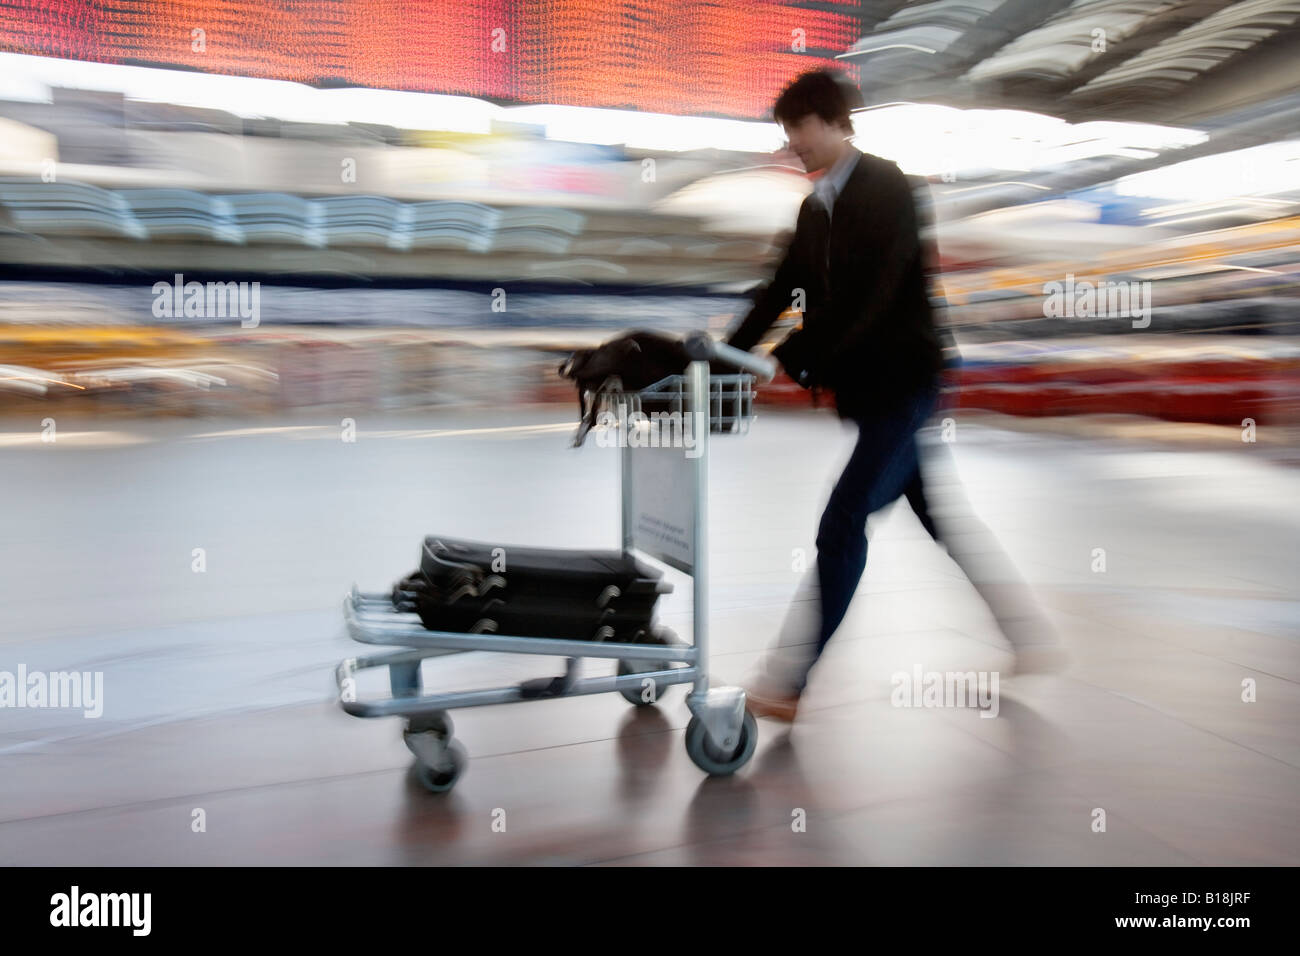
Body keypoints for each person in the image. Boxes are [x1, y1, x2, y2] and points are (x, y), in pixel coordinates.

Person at [725, 70, 1063, 723]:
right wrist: (727, 355)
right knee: (942, 520)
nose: (791, 143)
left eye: (797, 128)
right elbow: (778, 291)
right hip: (870, 391)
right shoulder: (814, 207)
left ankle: (790, 681)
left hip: (907, 382)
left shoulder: (889, 188)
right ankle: (1028, 637)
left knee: (845, 518)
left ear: (830, 121)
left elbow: (878, 295)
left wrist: (803, 354)